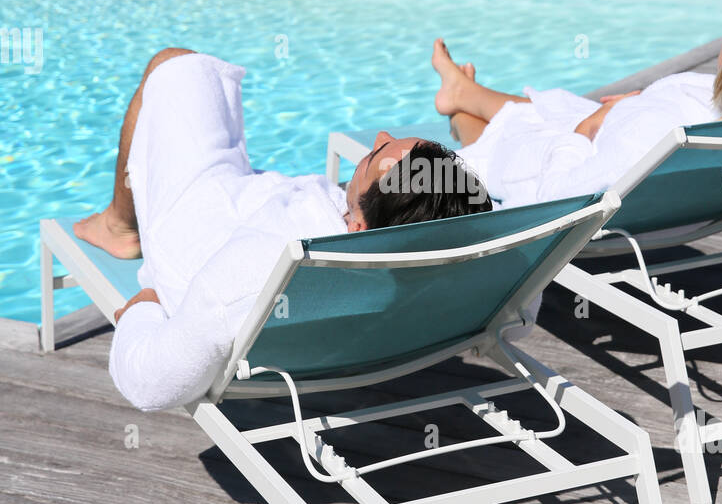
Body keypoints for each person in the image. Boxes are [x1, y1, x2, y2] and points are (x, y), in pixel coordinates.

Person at [76, 49, 490, 413]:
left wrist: (142, 309)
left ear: (360, 225)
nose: (380, 135)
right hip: (249, 204)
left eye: (380, 151)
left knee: (173, 64)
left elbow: (149, 383)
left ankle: (119, 224)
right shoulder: (461, 251)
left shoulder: (257, 276)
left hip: (194, 216)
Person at [431, 12, 722, 208]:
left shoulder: (657, 133)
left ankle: (459, 109)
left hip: (569, 174)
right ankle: (462, 90)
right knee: (552, 108)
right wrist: (634, 106)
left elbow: (554, 197)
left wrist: (588, 127)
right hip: (631, 147)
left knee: (510, 134)